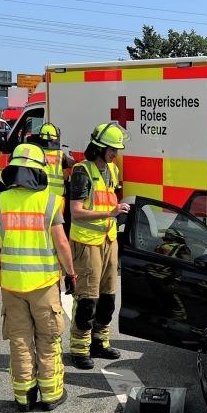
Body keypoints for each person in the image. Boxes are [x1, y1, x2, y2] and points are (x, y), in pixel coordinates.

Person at [0, 143, 77, 412]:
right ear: (39, 172)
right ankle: (51, 395)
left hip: (11, 286)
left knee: (20, 341)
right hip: (44, 285)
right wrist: (71, 274)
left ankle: (23, 397)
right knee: (48, 339)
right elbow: (62, 244)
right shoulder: (48, 201)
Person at [66, 123, 131, 370]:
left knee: (108, 299)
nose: (116, 154)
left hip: (108, 240)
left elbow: (110, 199)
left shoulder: (112, 170)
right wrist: (110, 212)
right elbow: (76, 212)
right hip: (87, 243)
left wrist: (119, 214)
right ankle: (80, 349)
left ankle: (100, 343)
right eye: (112, 149)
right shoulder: (82, 171)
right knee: (87, 300)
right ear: (99, 148)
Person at [27, 122, 74, 198]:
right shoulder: (60, 154)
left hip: (40, 192)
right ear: (56, 137)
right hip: (57, 194)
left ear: (41, 136)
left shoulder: (36, 152)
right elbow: (65, 176)